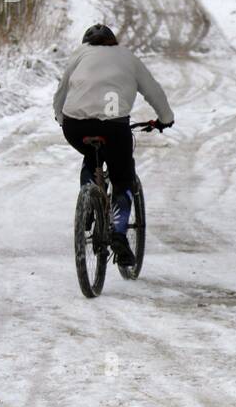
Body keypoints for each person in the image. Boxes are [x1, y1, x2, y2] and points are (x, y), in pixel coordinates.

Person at [54, 24, 173, 266]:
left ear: (87, 42)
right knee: (122, 177)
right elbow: (153, 91)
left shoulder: (79, 54)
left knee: (91, 155)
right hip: (114, 127)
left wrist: (60, 118)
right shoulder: (127, 57)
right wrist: (165, 119)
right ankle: (119, 232)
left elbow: (61, 92)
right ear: (113, 41)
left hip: (76, 126)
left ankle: (87, 203)